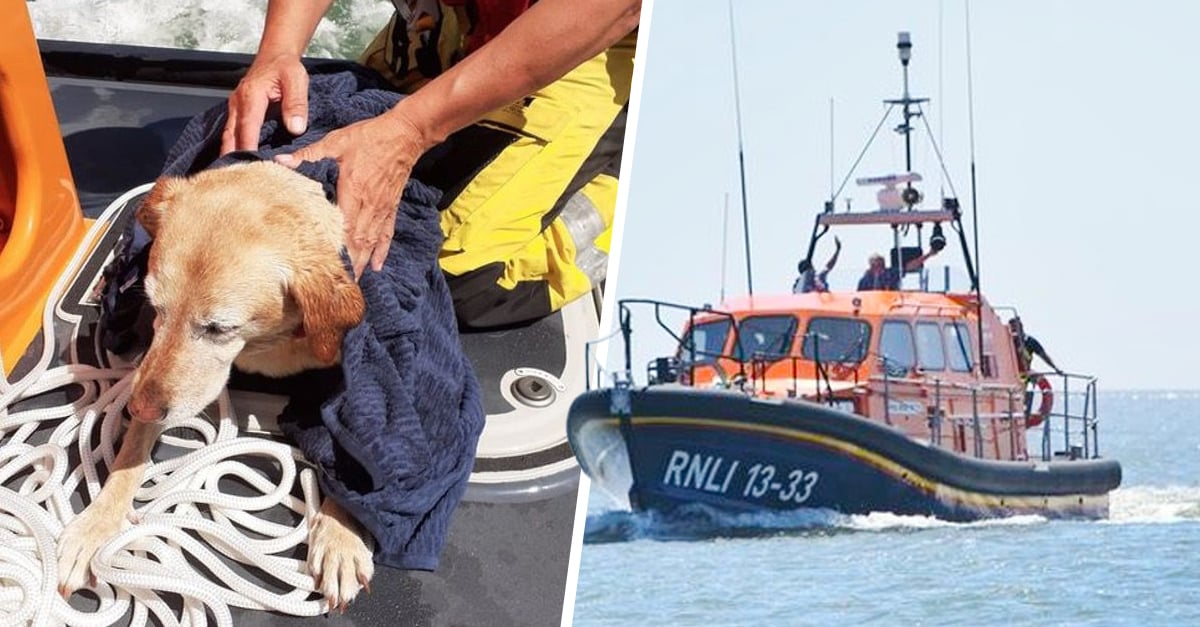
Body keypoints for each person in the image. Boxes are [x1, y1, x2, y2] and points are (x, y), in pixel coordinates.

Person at [220, 0, 641, 328]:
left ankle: (641, 183)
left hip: (590, 29)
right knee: (325, 129)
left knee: (456, 273)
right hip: (455, 15)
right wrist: (278, 50)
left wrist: (408, 130)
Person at [856, 247, 939, 291]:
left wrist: (929, 254)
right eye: (875, 265)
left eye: (881, 264)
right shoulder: (864, 280)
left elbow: (909, 267)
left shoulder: (891, 273)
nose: (879, 267)